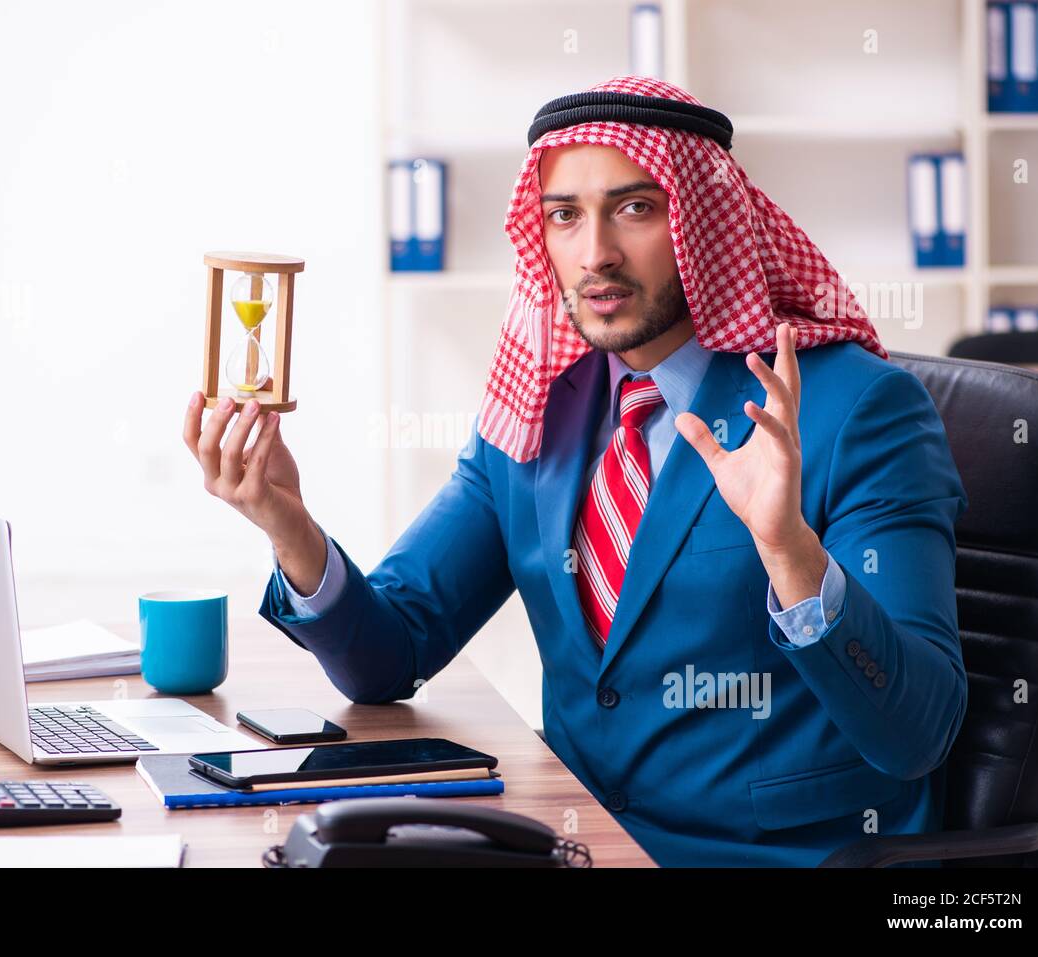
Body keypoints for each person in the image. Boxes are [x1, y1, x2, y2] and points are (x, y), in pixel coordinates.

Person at [181, 76, 969, 867]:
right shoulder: (534, 408)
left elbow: (917, 735)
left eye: (636, 208)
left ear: (704, 223)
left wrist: (790, 551)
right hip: (571, 844)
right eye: (564, 215)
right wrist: (289, 524)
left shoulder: (858, 411)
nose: (595, 252)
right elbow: (390, 655)